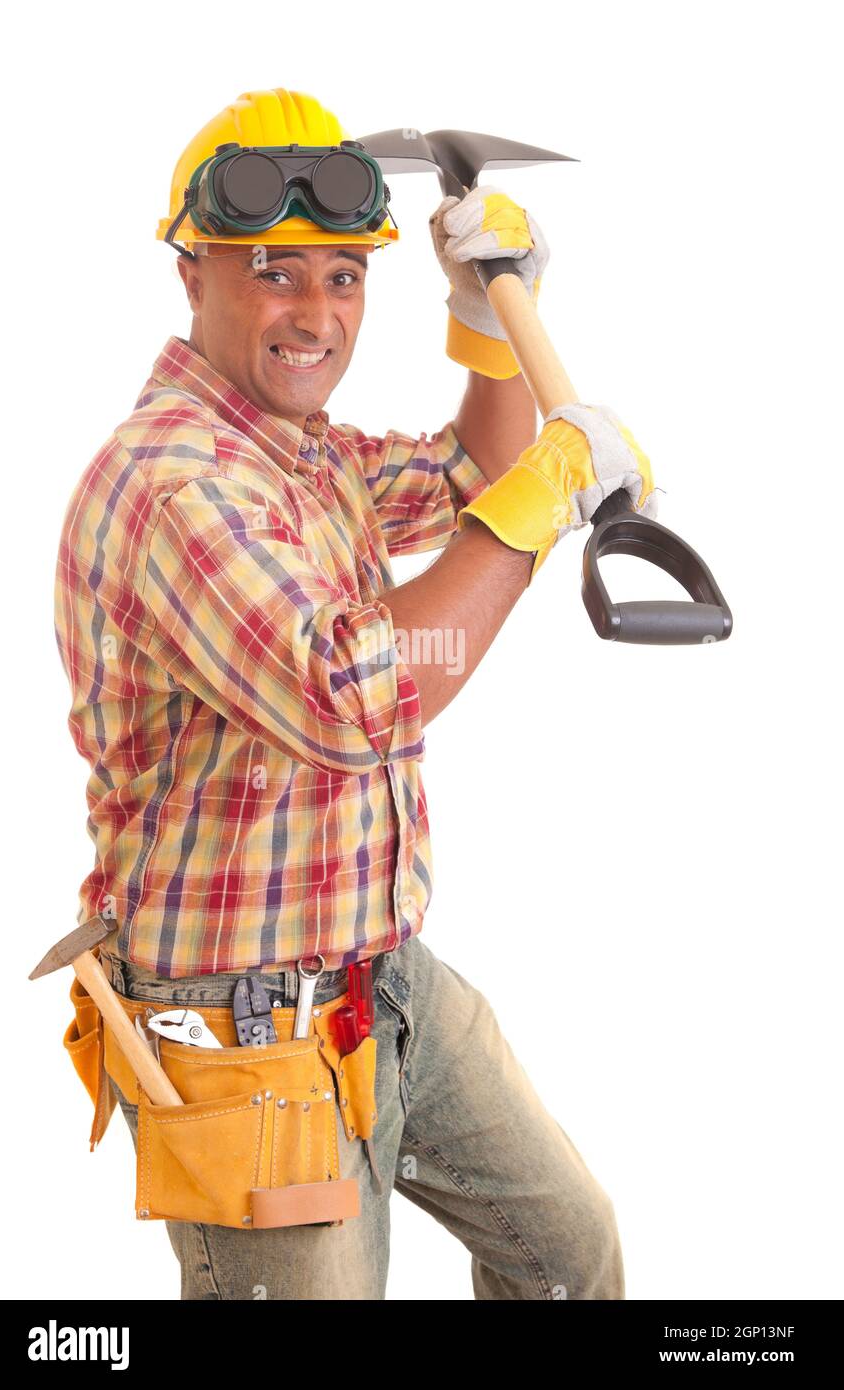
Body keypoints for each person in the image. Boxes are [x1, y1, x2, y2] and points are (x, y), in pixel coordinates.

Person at [55, 88, 656, 1300]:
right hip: (242, 1036)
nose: (315, 313)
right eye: (276, 271)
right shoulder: (172, 481)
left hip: (376, 979)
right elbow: (354, 696)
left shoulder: (302, 452)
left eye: (344, 277)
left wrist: (483, 318)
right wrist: (545, 500)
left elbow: (473, 467)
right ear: (192, 272)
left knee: (564, 1251)